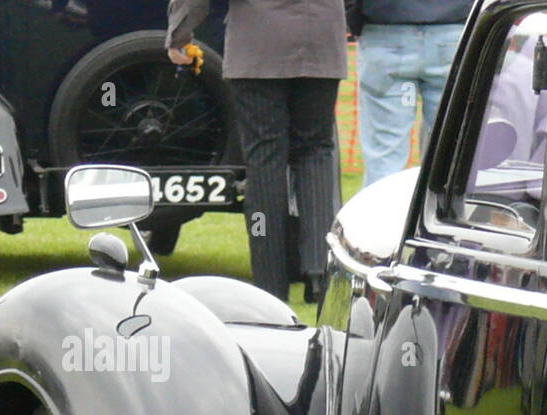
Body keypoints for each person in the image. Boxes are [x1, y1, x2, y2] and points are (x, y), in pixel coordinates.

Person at [166, 0, 347, 303]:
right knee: (316, 151)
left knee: (265, 160)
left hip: (257, 45)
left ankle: (270, 281)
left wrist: (179, 35)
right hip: (321, 41)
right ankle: (319, 270)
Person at [345, 1, 473, 186]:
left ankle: (383, 213)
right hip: (453, 32)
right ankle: (445, 212)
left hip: (384, 33)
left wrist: (356, 19)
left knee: (385, 157)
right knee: (451, 152)